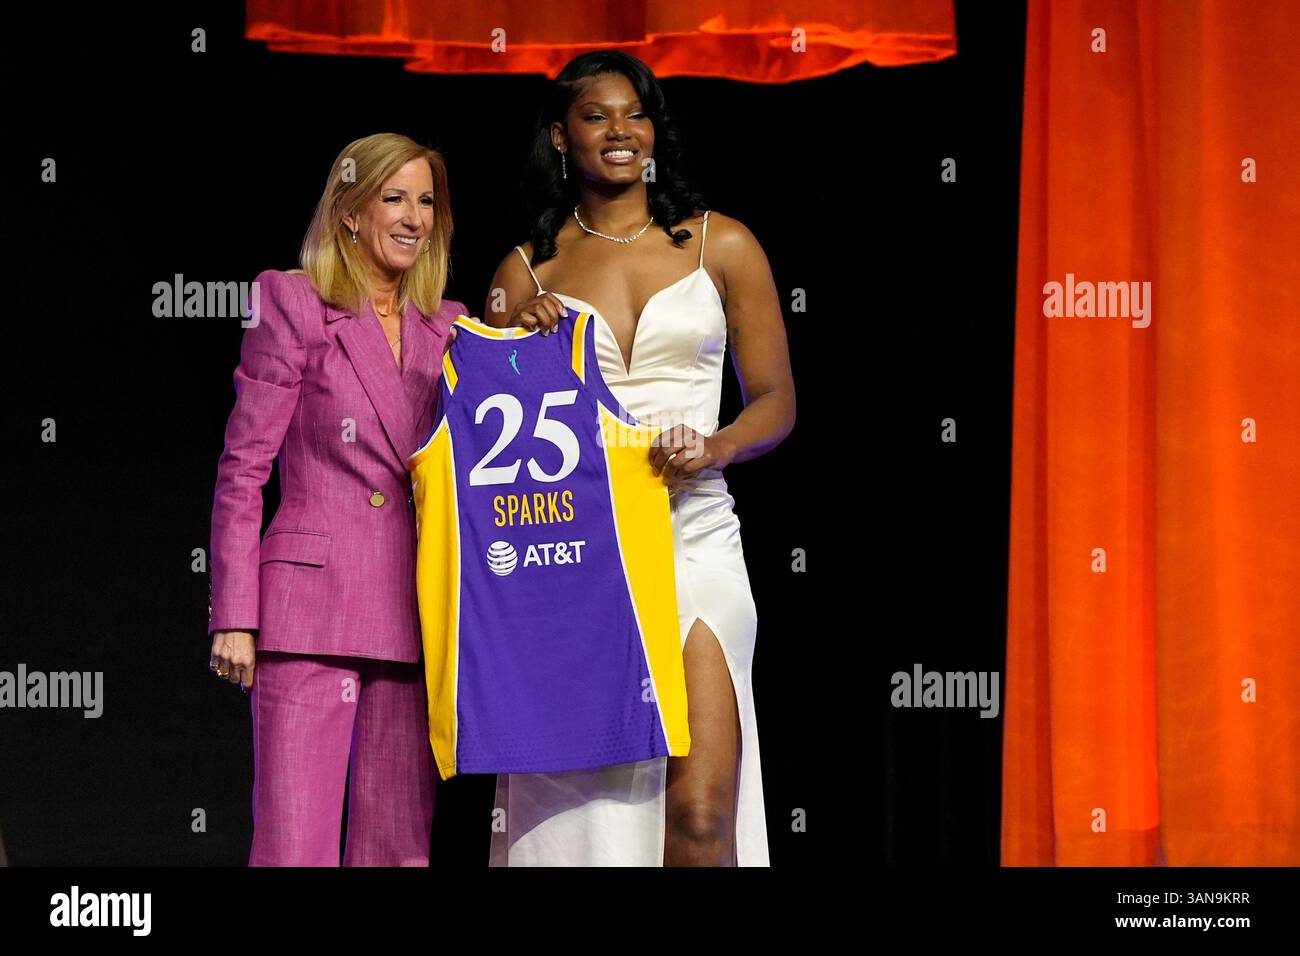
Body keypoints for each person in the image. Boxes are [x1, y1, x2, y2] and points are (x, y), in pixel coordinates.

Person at [484, 51, 795, 866]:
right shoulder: (524, 271)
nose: (620, 131)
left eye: (636, 113)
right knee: (584, 817)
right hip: (577, 557)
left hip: (694, 536)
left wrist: (717, 445)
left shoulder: (719, 244)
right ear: (560, 136)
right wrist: (520, 346)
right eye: (596, 115)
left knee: (699, 814)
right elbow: (482, 434)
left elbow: (775, 399)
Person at [208, 132, 466, 866]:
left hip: (414, 615)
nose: (415, 216)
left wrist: (538, 331)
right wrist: (236, 614)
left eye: (426, 201)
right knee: (295, 848)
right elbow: (242, 469)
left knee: (397, 851)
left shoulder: (450, 328)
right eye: (395, 198)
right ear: (350, 212)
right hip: (307, 615)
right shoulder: (293, 301)